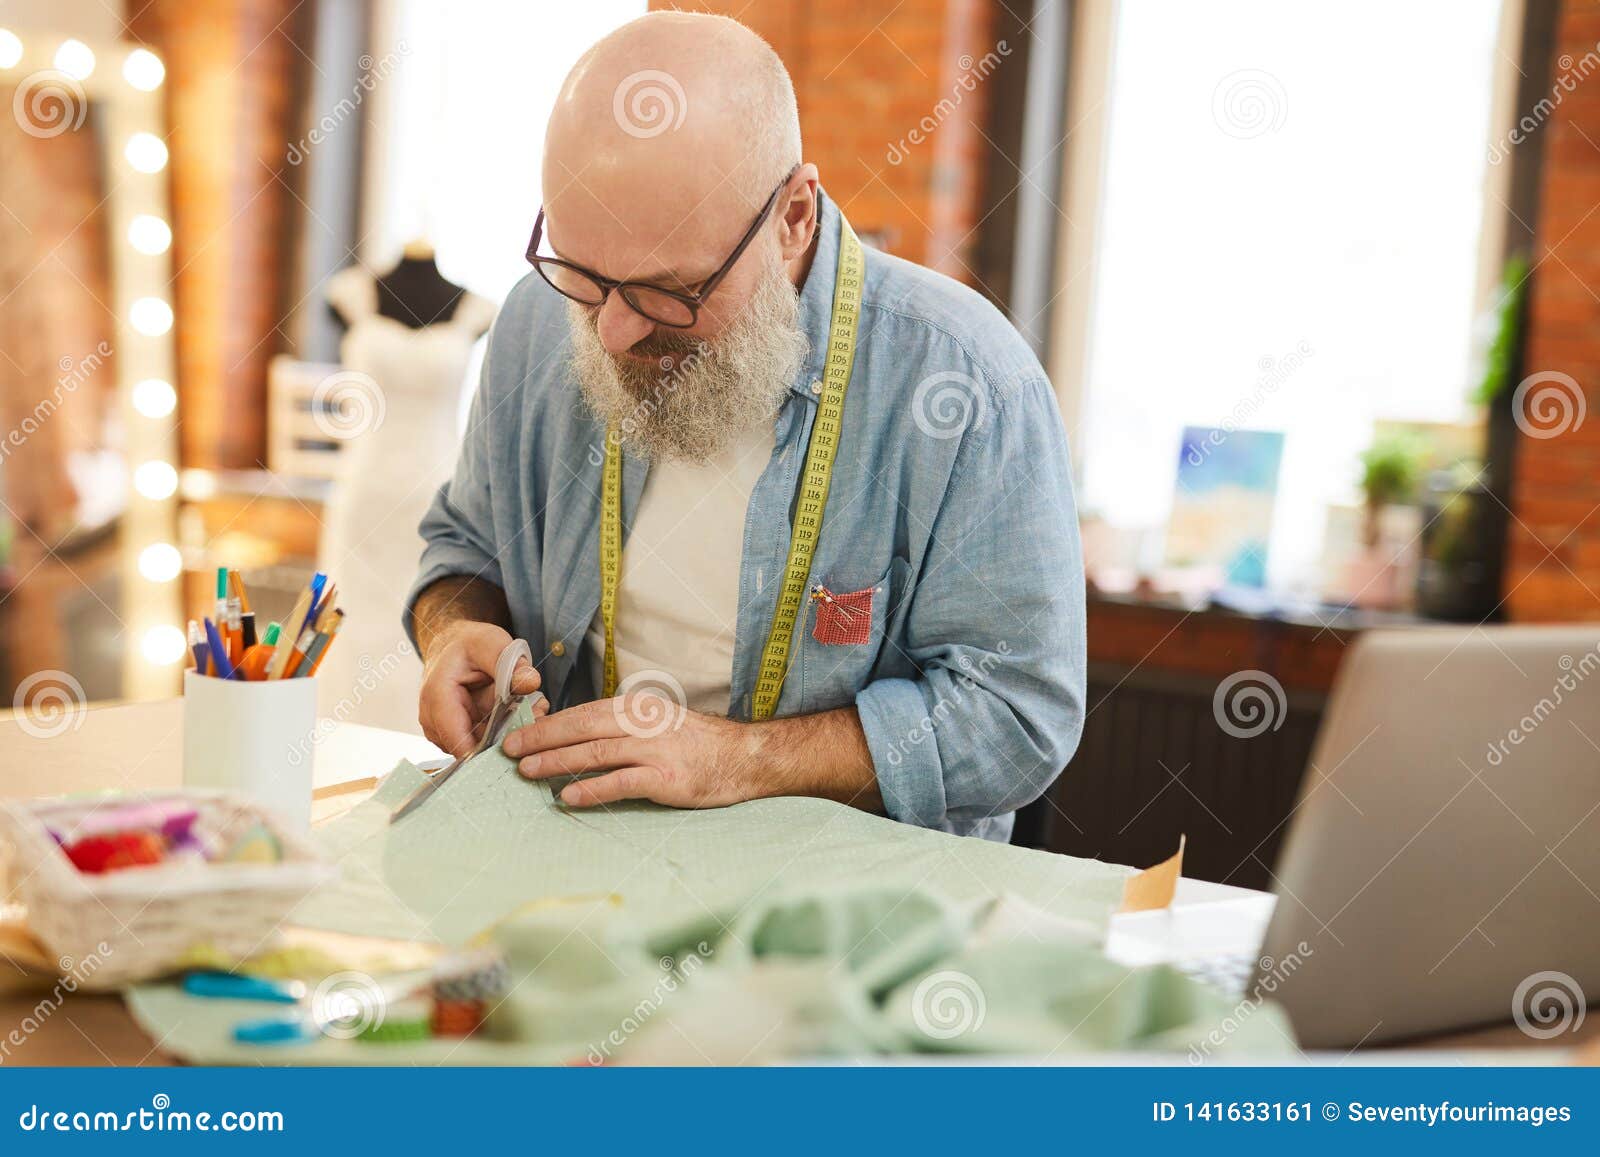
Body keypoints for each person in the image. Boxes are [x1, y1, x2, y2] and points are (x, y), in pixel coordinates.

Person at [407, 11, 1085, 842]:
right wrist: (452, 633)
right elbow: (464, 547)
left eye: (668, 292)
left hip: (842, 918)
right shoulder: (538, 323)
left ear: (794, 215)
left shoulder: (970, 382)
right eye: (584, 273)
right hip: (570, 878)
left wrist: (742, 760)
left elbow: (1018, 716)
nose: (613, 330)